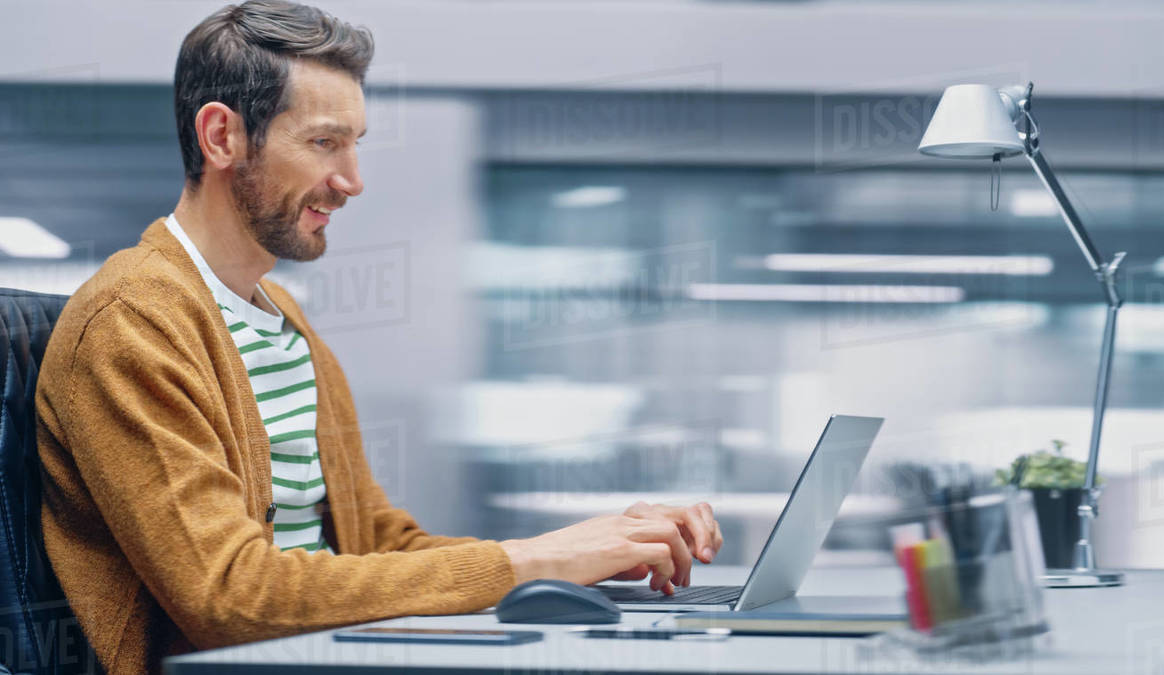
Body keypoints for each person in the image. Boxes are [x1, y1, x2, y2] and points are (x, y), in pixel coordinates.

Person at [35, 2, 723, 673]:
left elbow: (377, 542)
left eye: (356, 143)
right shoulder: (133, 320)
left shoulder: (280, 320)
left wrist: (586, 551)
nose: (353, 181)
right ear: (221, 137)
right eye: (324, 142)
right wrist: (530, 564)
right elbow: (230, 595)